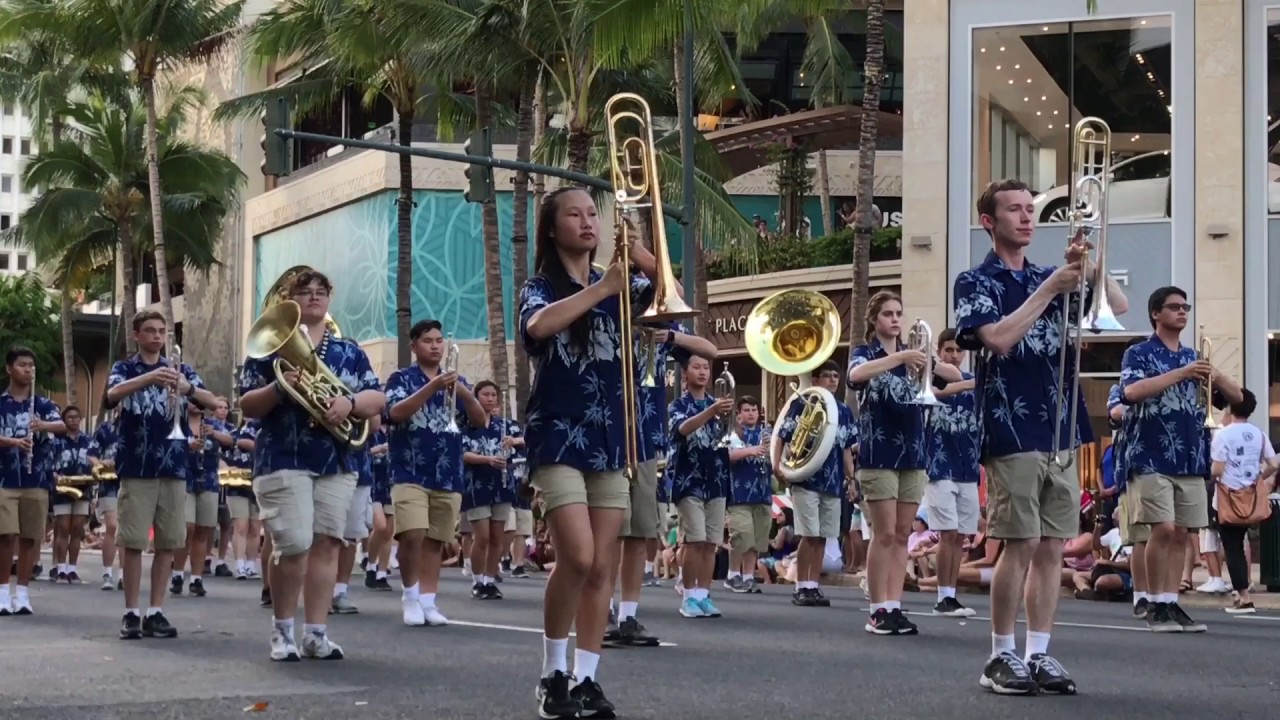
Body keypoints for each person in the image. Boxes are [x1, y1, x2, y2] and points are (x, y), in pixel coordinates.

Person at [954, 178, 1129, 695]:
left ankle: (1040, 653)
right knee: (1021, 540)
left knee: (1052, 543)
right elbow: (999, 340)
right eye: (1015, 210)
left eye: (1031, 210)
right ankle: (1000, 653)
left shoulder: (1047, 274)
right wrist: (1050, 288)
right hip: (1009, 422)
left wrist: (1086, 261)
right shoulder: (975, 280)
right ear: (990, 222)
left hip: (1061, 422)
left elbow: (1115, 304)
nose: (1027, 218)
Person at [518, 186, 672, 718]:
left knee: (602, 564)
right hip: (559, 433)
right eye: (574, 215)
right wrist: (602, 286)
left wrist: (643, 255)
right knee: (578, 556)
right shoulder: (540, 286)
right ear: (553, 227)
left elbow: (674, 302)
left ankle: (586, 678)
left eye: (593, 215)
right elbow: (537, 327)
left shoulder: (624, 285)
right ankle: (551, 672)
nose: (588, 223)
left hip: (613, 436)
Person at [238, 270, 385, 661]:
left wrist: (349, 404)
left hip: (336, 458)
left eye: (321, 291)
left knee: (326, 544)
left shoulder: (349, 351)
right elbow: (246, 405)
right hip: (283, 456)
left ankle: (316, 634)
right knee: (294, 544)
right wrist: (281, 385)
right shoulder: (268, 349)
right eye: (305, 292)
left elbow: (378, 398)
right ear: (289, 299)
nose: (314, 297)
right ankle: (282, 631)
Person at [1119, 287, 1242, 633]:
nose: (1182, 312)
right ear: (1156, 313)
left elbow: (1238, 399)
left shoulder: (1193, 357)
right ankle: (1154, 602)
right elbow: (1130, 392)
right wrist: (1182, 373)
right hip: (1150, 453)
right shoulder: (1139, 353)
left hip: (1190, 454)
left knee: (1182, 532)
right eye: (1174, 307)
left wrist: (1213, 374)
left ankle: (1171, 602)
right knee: (1163, 528)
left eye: (1185, 307)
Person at [849, 291, 961, 633]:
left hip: (914, 452)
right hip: (879, 453)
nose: (895, 319)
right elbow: (856, 375)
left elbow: (954, 379)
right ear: (875, 320)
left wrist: (927, 359)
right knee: (883, 534)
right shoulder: (866, 353)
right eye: (887, 314)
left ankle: (894, 605)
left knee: (901, 534)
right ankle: (877, 608)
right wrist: (898, 359)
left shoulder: (913, 354)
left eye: (898, 313)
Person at [106, 312, 217, 639]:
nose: (157, 336)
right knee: (133, 540)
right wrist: (149, 379)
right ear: (137, 335)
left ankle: (156, 610)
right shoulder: (124, 368)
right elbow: (112, 395)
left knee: (168, 541)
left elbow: (213, 402)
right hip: (137, 465)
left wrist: (187, 388)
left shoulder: (181, 369)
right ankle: (130, 612)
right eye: (150, 331)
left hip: (174, 464)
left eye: (161, 331)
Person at [385, 319, 487, 623]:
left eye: (439, 340)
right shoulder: (400, 378)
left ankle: (428, 602)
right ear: (414, 346)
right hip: (409, 468)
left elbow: (481, 422)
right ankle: (410, 595)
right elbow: (394, 413)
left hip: (448, 470)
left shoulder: (458, 380)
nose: (435, 345)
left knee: (435, 539)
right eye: (428, 340)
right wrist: (432, 387)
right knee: (412, 533)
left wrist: (466, 395)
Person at [777, 361, 858, 608]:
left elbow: (845, 449)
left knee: (823, 535)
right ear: (815, 380)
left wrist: (851, 479)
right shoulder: (802, 404)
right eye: (827, 376)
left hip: (832, 481)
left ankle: (813, 585)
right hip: (806, 479)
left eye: (836, 375)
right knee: (809, 534)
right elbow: (783, 436)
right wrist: (777, 467)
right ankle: (801, 585)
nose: (833, 380)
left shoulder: (843, 411)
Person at [0, 346, 66, 615]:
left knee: (30, 537)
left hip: (36, 477)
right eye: (22, 365)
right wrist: (13, 442)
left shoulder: (43, 404)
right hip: (4, 478)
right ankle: (3, 591)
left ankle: (23, 594)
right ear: (9, 369)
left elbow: (62, 426)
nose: (27, 370)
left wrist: (43, 426)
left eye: (31, 366)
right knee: (5, 536)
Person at [668, 354, 732, 619]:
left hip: (716, 477)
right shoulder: (678, 404)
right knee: (694, 540)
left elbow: (727, 437)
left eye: (706, 367)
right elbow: (680, 429)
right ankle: (688, 596)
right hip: (688, 478)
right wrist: (711, 412)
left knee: (710, 543)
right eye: (696, 367)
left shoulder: (718, 404)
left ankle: (703, 594)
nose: (703, 372)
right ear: (685, 373)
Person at [925, 329, 980, 618]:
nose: (955, 356)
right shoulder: (931, 380)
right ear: (939, 351)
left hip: (968, 468)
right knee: (947, 533)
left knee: (960, 535)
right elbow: (931, 394)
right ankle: (942, 595)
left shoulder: (975, 382)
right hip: (939, 466)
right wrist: (962, 385)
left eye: (959, 351)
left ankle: (951, 594)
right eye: (948, 350)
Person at [1210, 389, 1277, 614]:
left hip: (1229, 497)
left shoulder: (1223, 434)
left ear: (1231, 407)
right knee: (1242, 543)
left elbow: (1217, 469)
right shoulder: (1258, 433)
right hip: (1251, 496)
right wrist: (1259, 478)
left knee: (1232, 548)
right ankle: (1242, 592)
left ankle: (1244, 596)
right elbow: (1273, 464)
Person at [461, 380, 520, 600]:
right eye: (485, 394)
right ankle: (477, 580)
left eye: (493, 395)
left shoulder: (504, 426)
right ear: (476, 398)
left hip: (502, 485)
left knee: (498, 537)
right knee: (482, 536)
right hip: (476, 485)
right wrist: (487, 459)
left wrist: (513, 442)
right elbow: (462, 453)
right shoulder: (467, 425)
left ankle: (489, 579)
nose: (490, 398)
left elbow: (527, 440)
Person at [724, 396, 772, 594]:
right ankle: (733, 575)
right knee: (742, 536)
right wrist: (752, 450)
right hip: (739, 494)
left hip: (762, 493)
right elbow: (729, 455)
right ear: (739, 414)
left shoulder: (766, 434)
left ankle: (748, 576)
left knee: (757, 539)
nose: (751, 413)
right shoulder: (733, 433)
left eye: (754, 409)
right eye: (746, 410)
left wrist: (773, 447)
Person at [51, 404, 93, 583]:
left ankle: (73, 568)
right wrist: (55, 476)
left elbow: (94, 460)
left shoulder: (88, 440)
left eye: (76, 417)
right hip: (62, 489)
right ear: (64, 420)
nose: (73, 420)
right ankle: (60, 568)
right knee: (63, 528)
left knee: (77, 529)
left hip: (83, 489)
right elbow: (49, 463)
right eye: (70, 417)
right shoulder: (56, 441)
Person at [89, 408, 121, 590]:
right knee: (112, 526)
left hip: (133, 481)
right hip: (109, 482)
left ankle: (125, 574)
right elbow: (91, 453)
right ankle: (107, 572)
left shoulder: (143, 428)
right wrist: (100, 463)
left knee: (127, 529)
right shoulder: (105, 428)